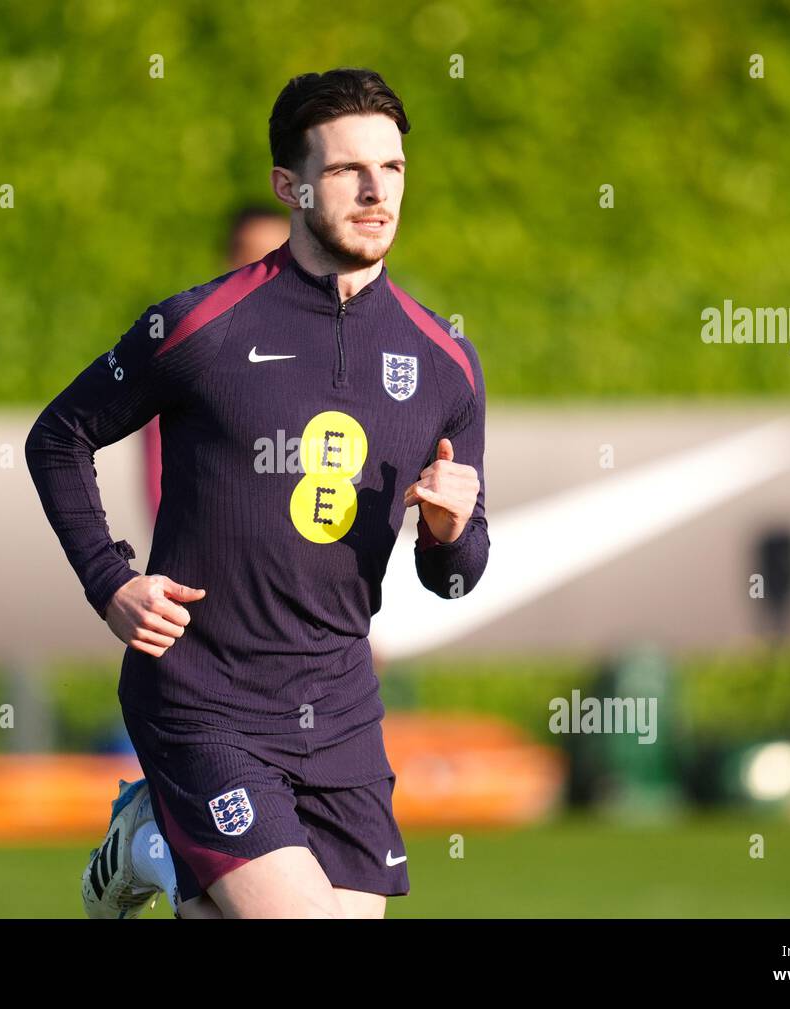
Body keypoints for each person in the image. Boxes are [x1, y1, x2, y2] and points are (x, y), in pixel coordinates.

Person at [26, 67, 490, 919]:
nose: (375, 190)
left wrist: (450, 533)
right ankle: (162, 836)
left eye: (391, 169)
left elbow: (456, 577)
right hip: (204, 696)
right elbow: (58, 437)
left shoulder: (444, 363)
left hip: (342, 711)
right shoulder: (198, 326)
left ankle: (149, 843)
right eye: (348, 169)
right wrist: (111, 581)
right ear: (291, 184)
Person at [140, 207, 290, 521]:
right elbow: (163, 486)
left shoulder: (328, 351)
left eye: (278, 261)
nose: (267, 274)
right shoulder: (186, 349)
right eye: (252, 258)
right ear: (228, 262)